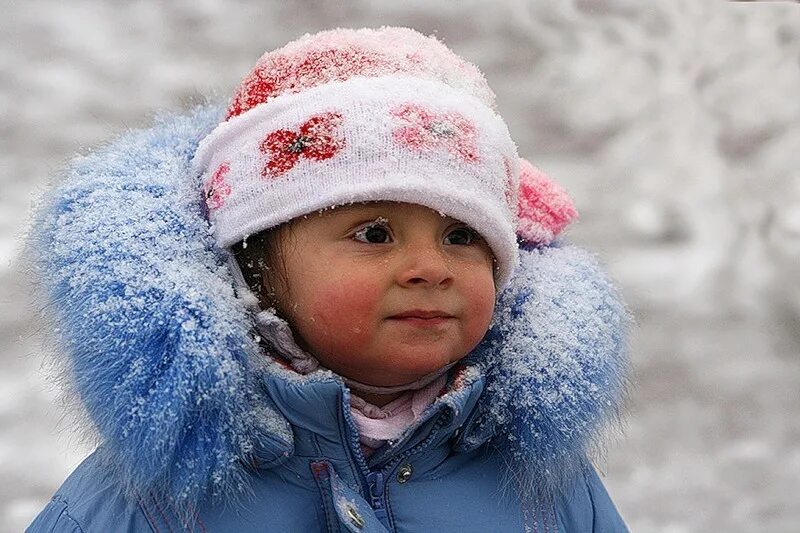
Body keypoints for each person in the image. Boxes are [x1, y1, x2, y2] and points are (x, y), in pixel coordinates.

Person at [26, 26, 633, 532]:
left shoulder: (542, 485)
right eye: (374, 234)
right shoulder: (152, 499)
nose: (431, 268)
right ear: (258, 269)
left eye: (462, 236)